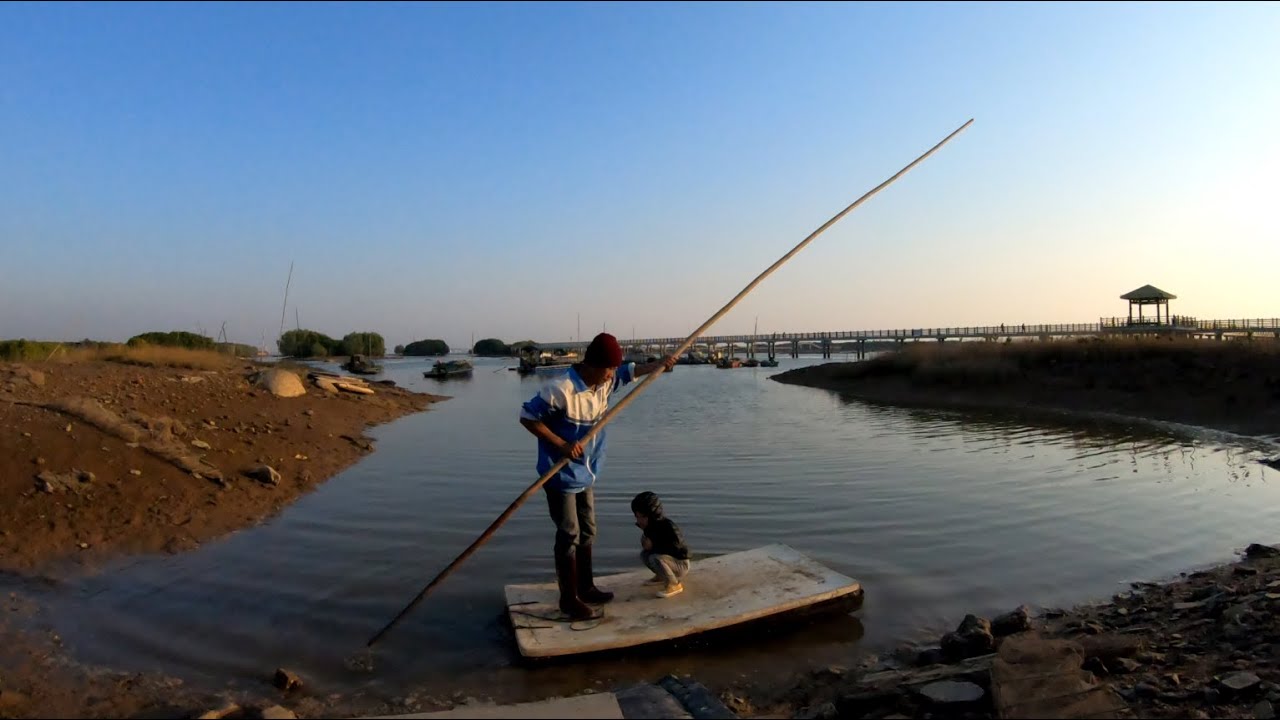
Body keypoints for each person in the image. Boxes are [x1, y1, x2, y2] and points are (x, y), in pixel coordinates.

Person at [519, 333, 677, 621]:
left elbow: (631, 371)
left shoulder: (604, 384)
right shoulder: (561, 389)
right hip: (560, 474)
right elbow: (528, 417)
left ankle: (586, 586)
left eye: (613, 369)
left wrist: (658, 365)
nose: (612, 374)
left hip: (587, 471)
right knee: (569, 533)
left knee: (588, 530)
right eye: (608, 368)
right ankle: (568, 599)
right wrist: (561, 444)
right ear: (592, 365)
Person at [631, 491, 690, 598]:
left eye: (642, 517)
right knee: (645, 554)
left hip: (680, 563)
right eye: (637, 516)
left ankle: (674, 584)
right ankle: (661, 576)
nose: (639, 520)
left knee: (655, 558)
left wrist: (655, 546)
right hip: (668, 560)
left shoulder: (668, 526)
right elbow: (647, 545)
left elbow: (682, 551)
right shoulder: (649, 527)